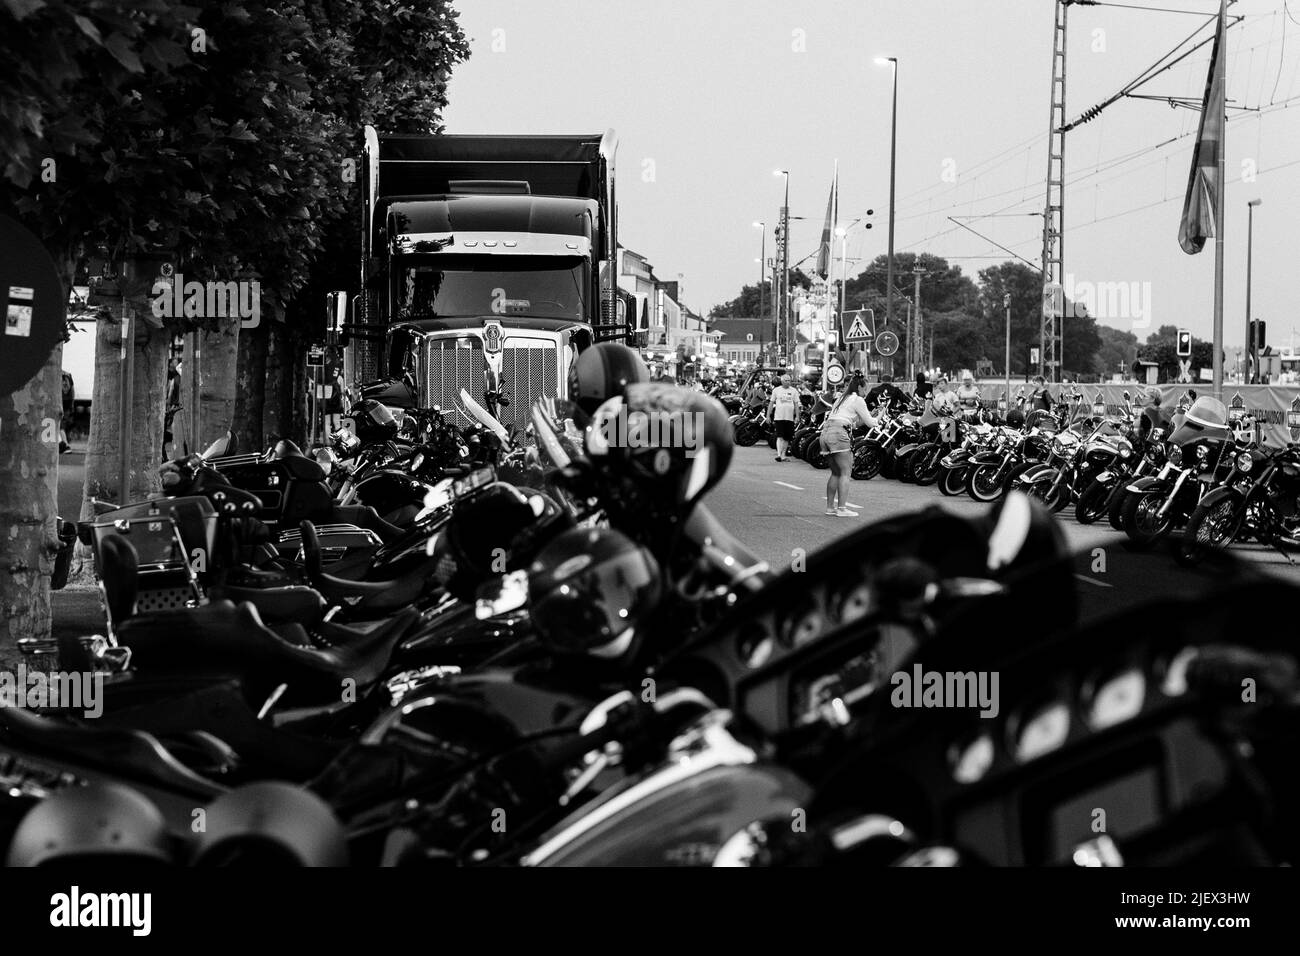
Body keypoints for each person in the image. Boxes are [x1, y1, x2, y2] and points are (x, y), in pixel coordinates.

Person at [819, 377, 879, 517]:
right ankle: (842, 509)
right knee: (846, 472)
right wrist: (878, 417)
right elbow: (871, 423)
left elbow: (854, 424)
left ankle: (830, 508)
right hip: (839, 434)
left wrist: (870, 418)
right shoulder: (858, 400)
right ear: (859, 388)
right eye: (865, 389)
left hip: (825, 433)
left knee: (835, 473)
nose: (866, 392)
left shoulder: (841, 398)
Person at [767, 374, 801, 462]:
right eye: (786, 380)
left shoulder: (794, 391)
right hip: (779, 417)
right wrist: (768, 416)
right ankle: (778, 454)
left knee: (787, 438)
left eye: (789, 380)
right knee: (779, 436)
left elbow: (796, 404)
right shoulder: (776, 390)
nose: (788, 382)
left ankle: (783, 455)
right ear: (782, 381)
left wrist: (797, 416)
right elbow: (771, 403)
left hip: (789, 418)